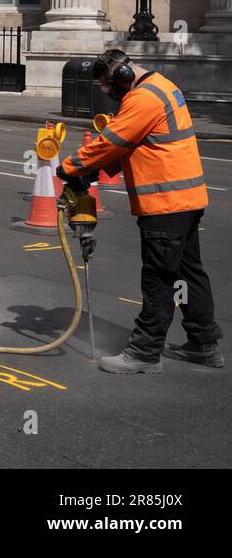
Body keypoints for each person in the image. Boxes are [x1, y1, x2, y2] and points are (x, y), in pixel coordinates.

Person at [59, 49, 222, 373]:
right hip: (186, 199)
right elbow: (142, 144)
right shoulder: (162, 85)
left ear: (121, 77)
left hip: (164, 203)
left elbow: (112, 141)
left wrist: (71, 168)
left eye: (108, 86)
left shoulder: (143, 98)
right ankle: (203, 343)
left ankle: (144, 352)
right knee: (189, 274)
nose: (109, 93)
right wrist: (98, 171)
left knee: (159, 279)